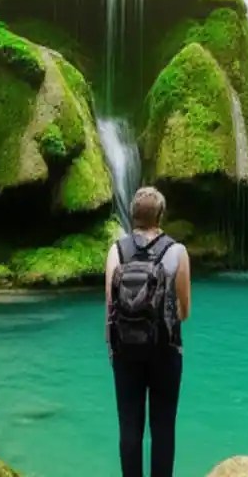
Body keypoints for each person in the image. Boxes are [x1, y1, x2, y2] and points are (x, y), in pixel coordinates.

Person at [105, 186, 192, 477]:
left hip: (125, 351)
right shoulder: (177, 251)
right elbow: (185, 310)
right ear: (160, 216)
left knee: (129, 427)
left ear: (133, 217)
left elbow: (110, 308)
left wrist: (114, 348)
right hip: (165, 351)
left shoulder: (116, 251)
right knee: (163, 427)